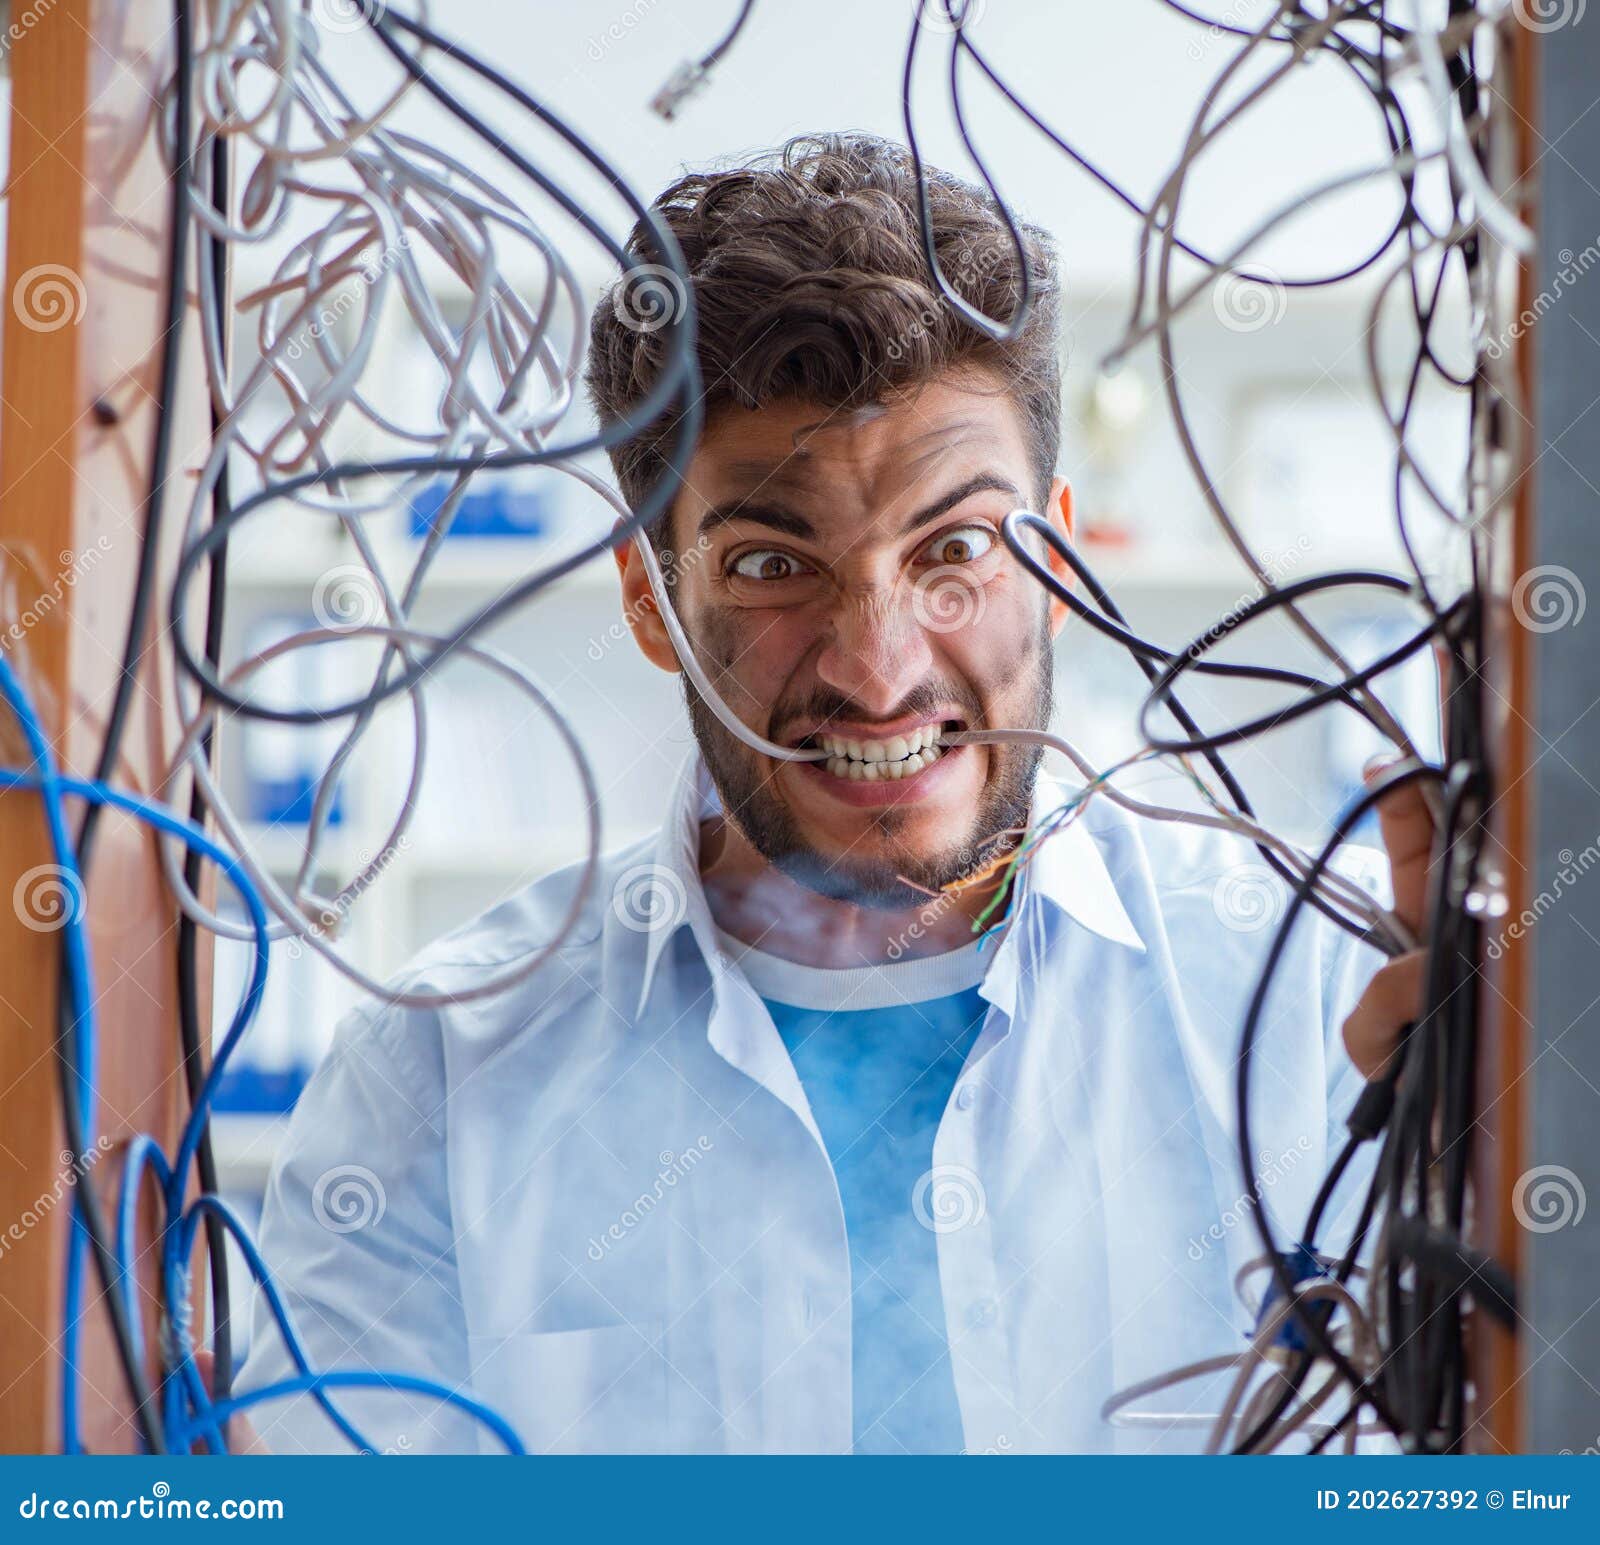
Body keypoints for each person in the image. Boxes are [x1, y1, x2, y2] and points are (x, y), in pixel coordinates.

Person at [235, 132, 1427, 1454]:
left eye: (957, 547)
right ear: (651, 599)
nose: (879, 668)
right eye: (768, 563)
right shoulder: (436, 1083)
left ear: (1062, 561)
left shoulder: (1327, 1001)